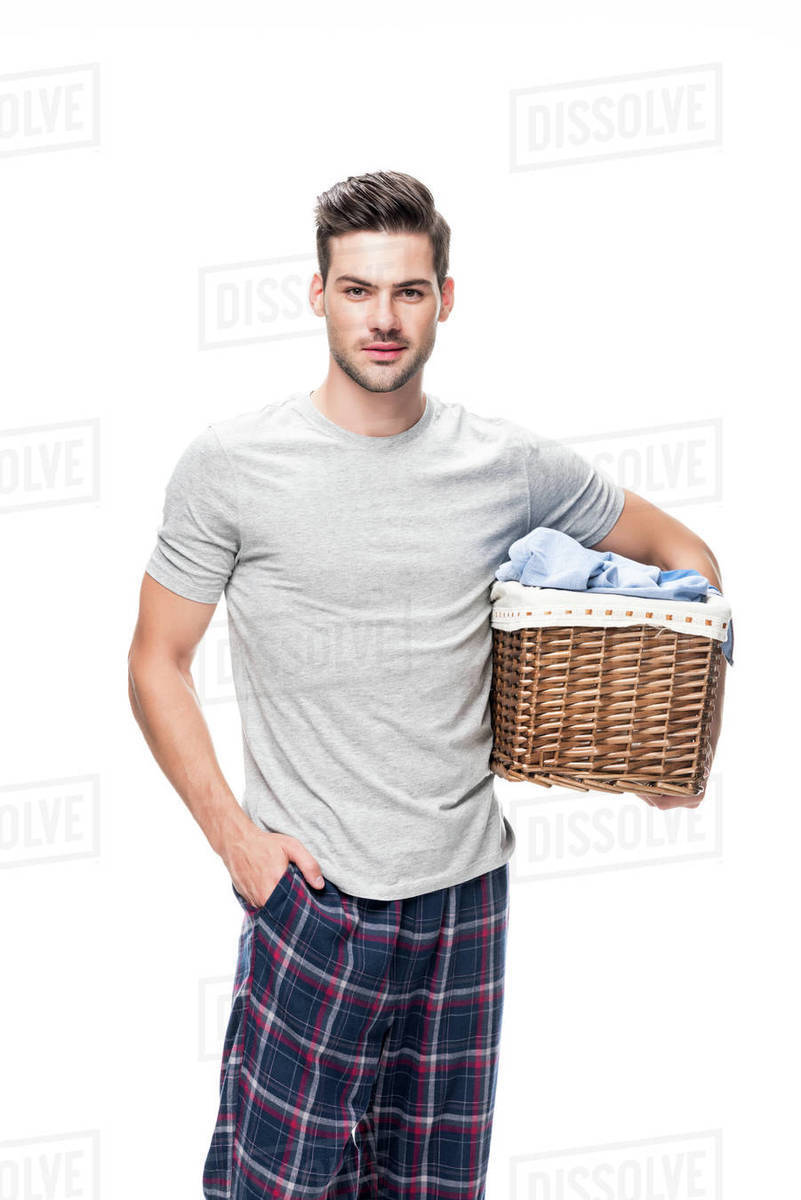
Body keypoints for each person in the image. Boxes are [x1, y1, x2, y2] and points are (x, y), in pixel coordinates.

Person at [127, 169, 726, 1199]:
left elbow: (681, 553)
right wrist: (239, 843)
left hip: (465, 902)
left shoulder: (506, 463)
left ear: (445, 297)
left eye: (407, 290)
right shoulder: (230, 464)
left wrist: (679, 728)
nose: (384, 318)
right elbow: (155, 660)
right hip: (312, 899)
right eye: (358, 290)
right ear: (316, 295)